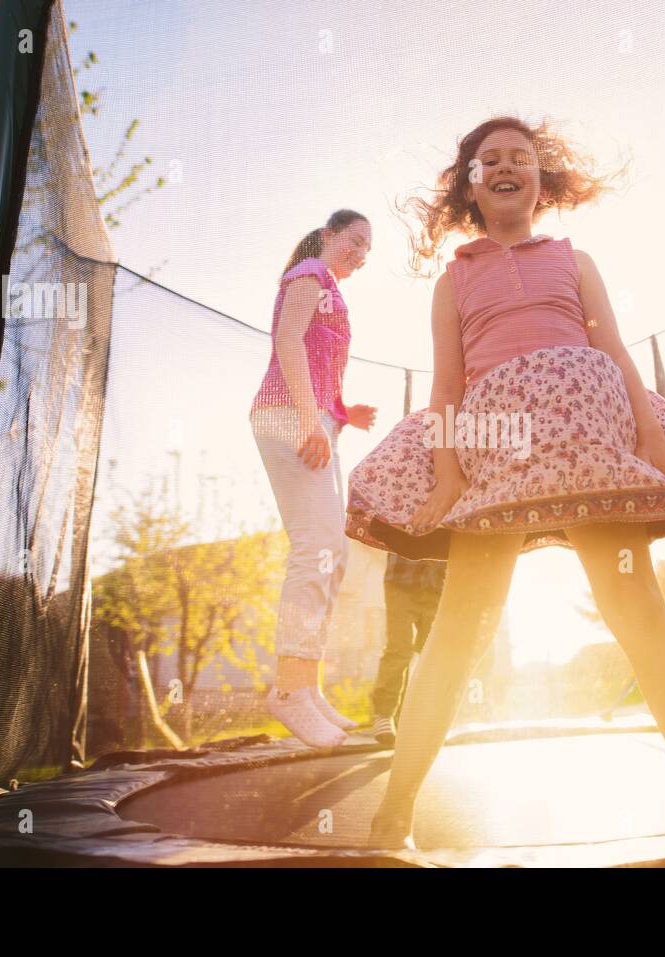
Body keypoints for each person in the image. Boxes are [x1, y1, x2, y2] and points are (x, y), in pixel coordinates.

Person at [344, 117, 665, 847]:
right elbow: (446, 383)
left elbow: (619, 353)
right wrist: (447, 474)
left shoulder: (575, 259)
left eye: (520, 158)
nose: (506, 166)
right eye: (489, 160)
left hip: (587, 439)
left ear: (542, 178)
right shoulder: (456, 278)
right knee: (461, 626)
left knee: (635, 604)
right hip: (498, 450)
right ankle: (394, 813)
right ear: (470, 186)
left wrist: (654, 440)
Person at [250, 209, 377, 748]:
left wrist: (344, 413)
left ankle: (306, 685)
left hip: (313, 418)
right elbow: (288, 343)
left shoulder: (330, 288)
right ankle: (289, 691)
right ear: (328, 235)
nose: (361, 252)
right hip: (289, 416)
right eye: (354, 240)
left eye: (367, 248)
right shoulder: (309, 277)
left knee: (332, 551)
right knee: (316, 547)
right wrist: (309, 420)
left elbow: (321, 363)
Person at [369, 553, 447, 745]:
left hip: (438, 583)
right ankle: (384, 714)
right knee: (399, 648)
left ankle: (413, 717)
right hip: (401, 580)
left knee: (430, 654)